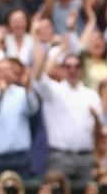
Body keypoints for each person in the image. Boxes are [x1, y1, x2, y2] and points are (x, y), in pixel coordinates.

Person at [36, 52, 103, 184]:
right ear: (62, 69)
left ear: (82, 70)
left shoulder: (92, 94)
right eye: (68, 67)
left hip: (86, 156)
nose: (72, 71)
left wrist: (95, 118)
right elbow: (38, 76)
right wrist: (60, 50)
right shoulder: (54, 91)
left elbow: (100, 130)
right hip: (60, 156)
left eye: (77, 67)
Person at [0, 55, 39, 179]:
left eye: (7, 69)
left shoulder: (21, 92)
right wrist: (1, 94)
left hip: (20, 156)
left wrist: (28, 89)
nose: (3, 73)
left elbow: (33, 109)